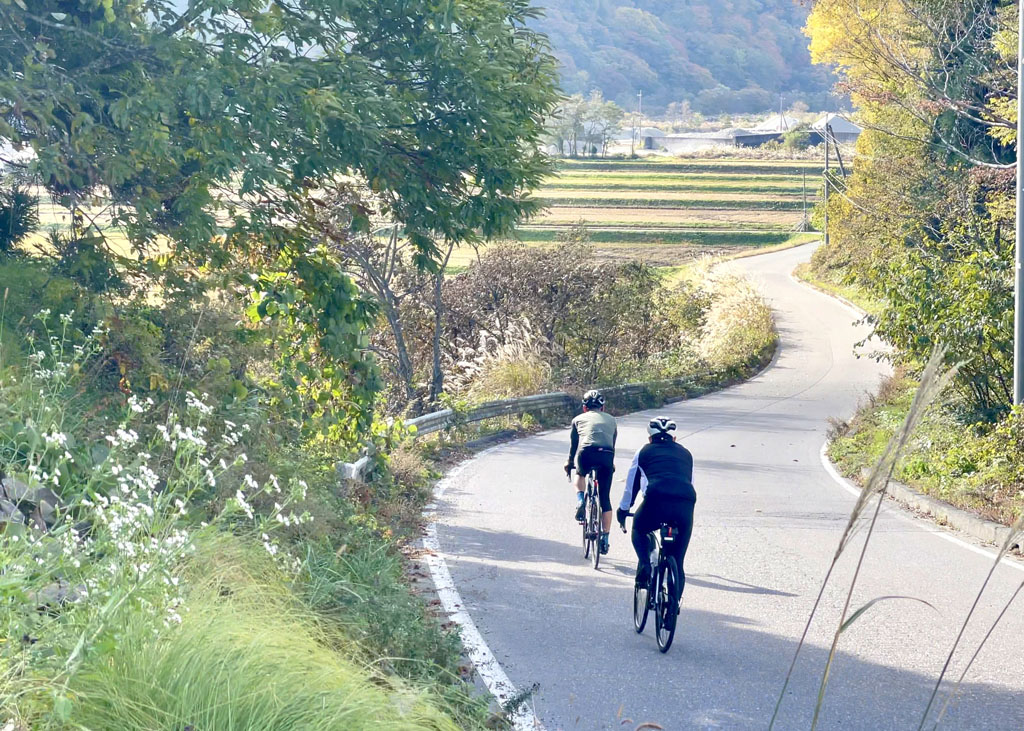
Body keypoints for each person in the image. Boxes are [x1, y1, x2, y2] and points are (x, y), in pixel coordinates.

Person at [616, 417, 695, 590]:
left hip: (656, 499)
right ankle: (673, 609)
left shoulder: (644, 452)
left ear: (650, 438)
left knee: (639, 528)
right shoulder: (686, 454)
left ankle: (644, 564)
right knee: (678, 561)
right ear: (674, 438)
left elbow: (631, 485)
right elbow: (690, 481)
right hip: (685, 502)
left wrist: (623, 510)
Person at [565, 389, 617, 554]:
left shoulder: (577, 419)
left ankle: (581, 500)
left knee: (580, 475)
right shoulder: (612, 420)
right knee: (605, 499)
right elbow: (611, 444)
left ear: (584, 408)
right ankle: (606, 538)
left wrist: (569, 463)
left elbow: (574, 446)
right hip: (607, 456)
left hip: (586, 452)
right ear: (602, 408)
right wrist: (611, 464)